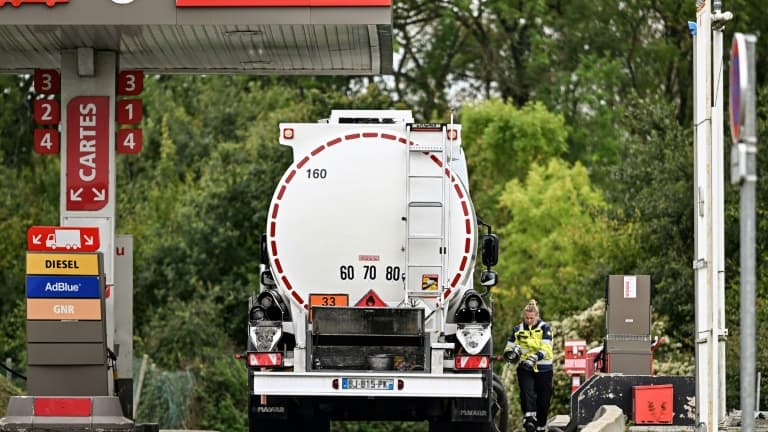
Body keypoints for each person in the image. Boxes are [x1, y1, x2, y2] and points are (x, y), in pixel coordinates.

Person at [503, 299, 554, 432]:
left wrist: (535, 357)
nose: (529, 320)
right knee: (527, 393)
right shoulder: (517, 330)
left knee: (543, 400)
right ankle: (529, 419)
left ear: (537, 316)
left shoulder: (545, 328)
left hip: (544, 369)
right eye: (526, 318)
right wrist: (512, 353)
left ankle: (541, 426)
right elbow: (508, 348)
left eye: (531, 318)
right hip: (525, 368)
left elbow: (546, 348)